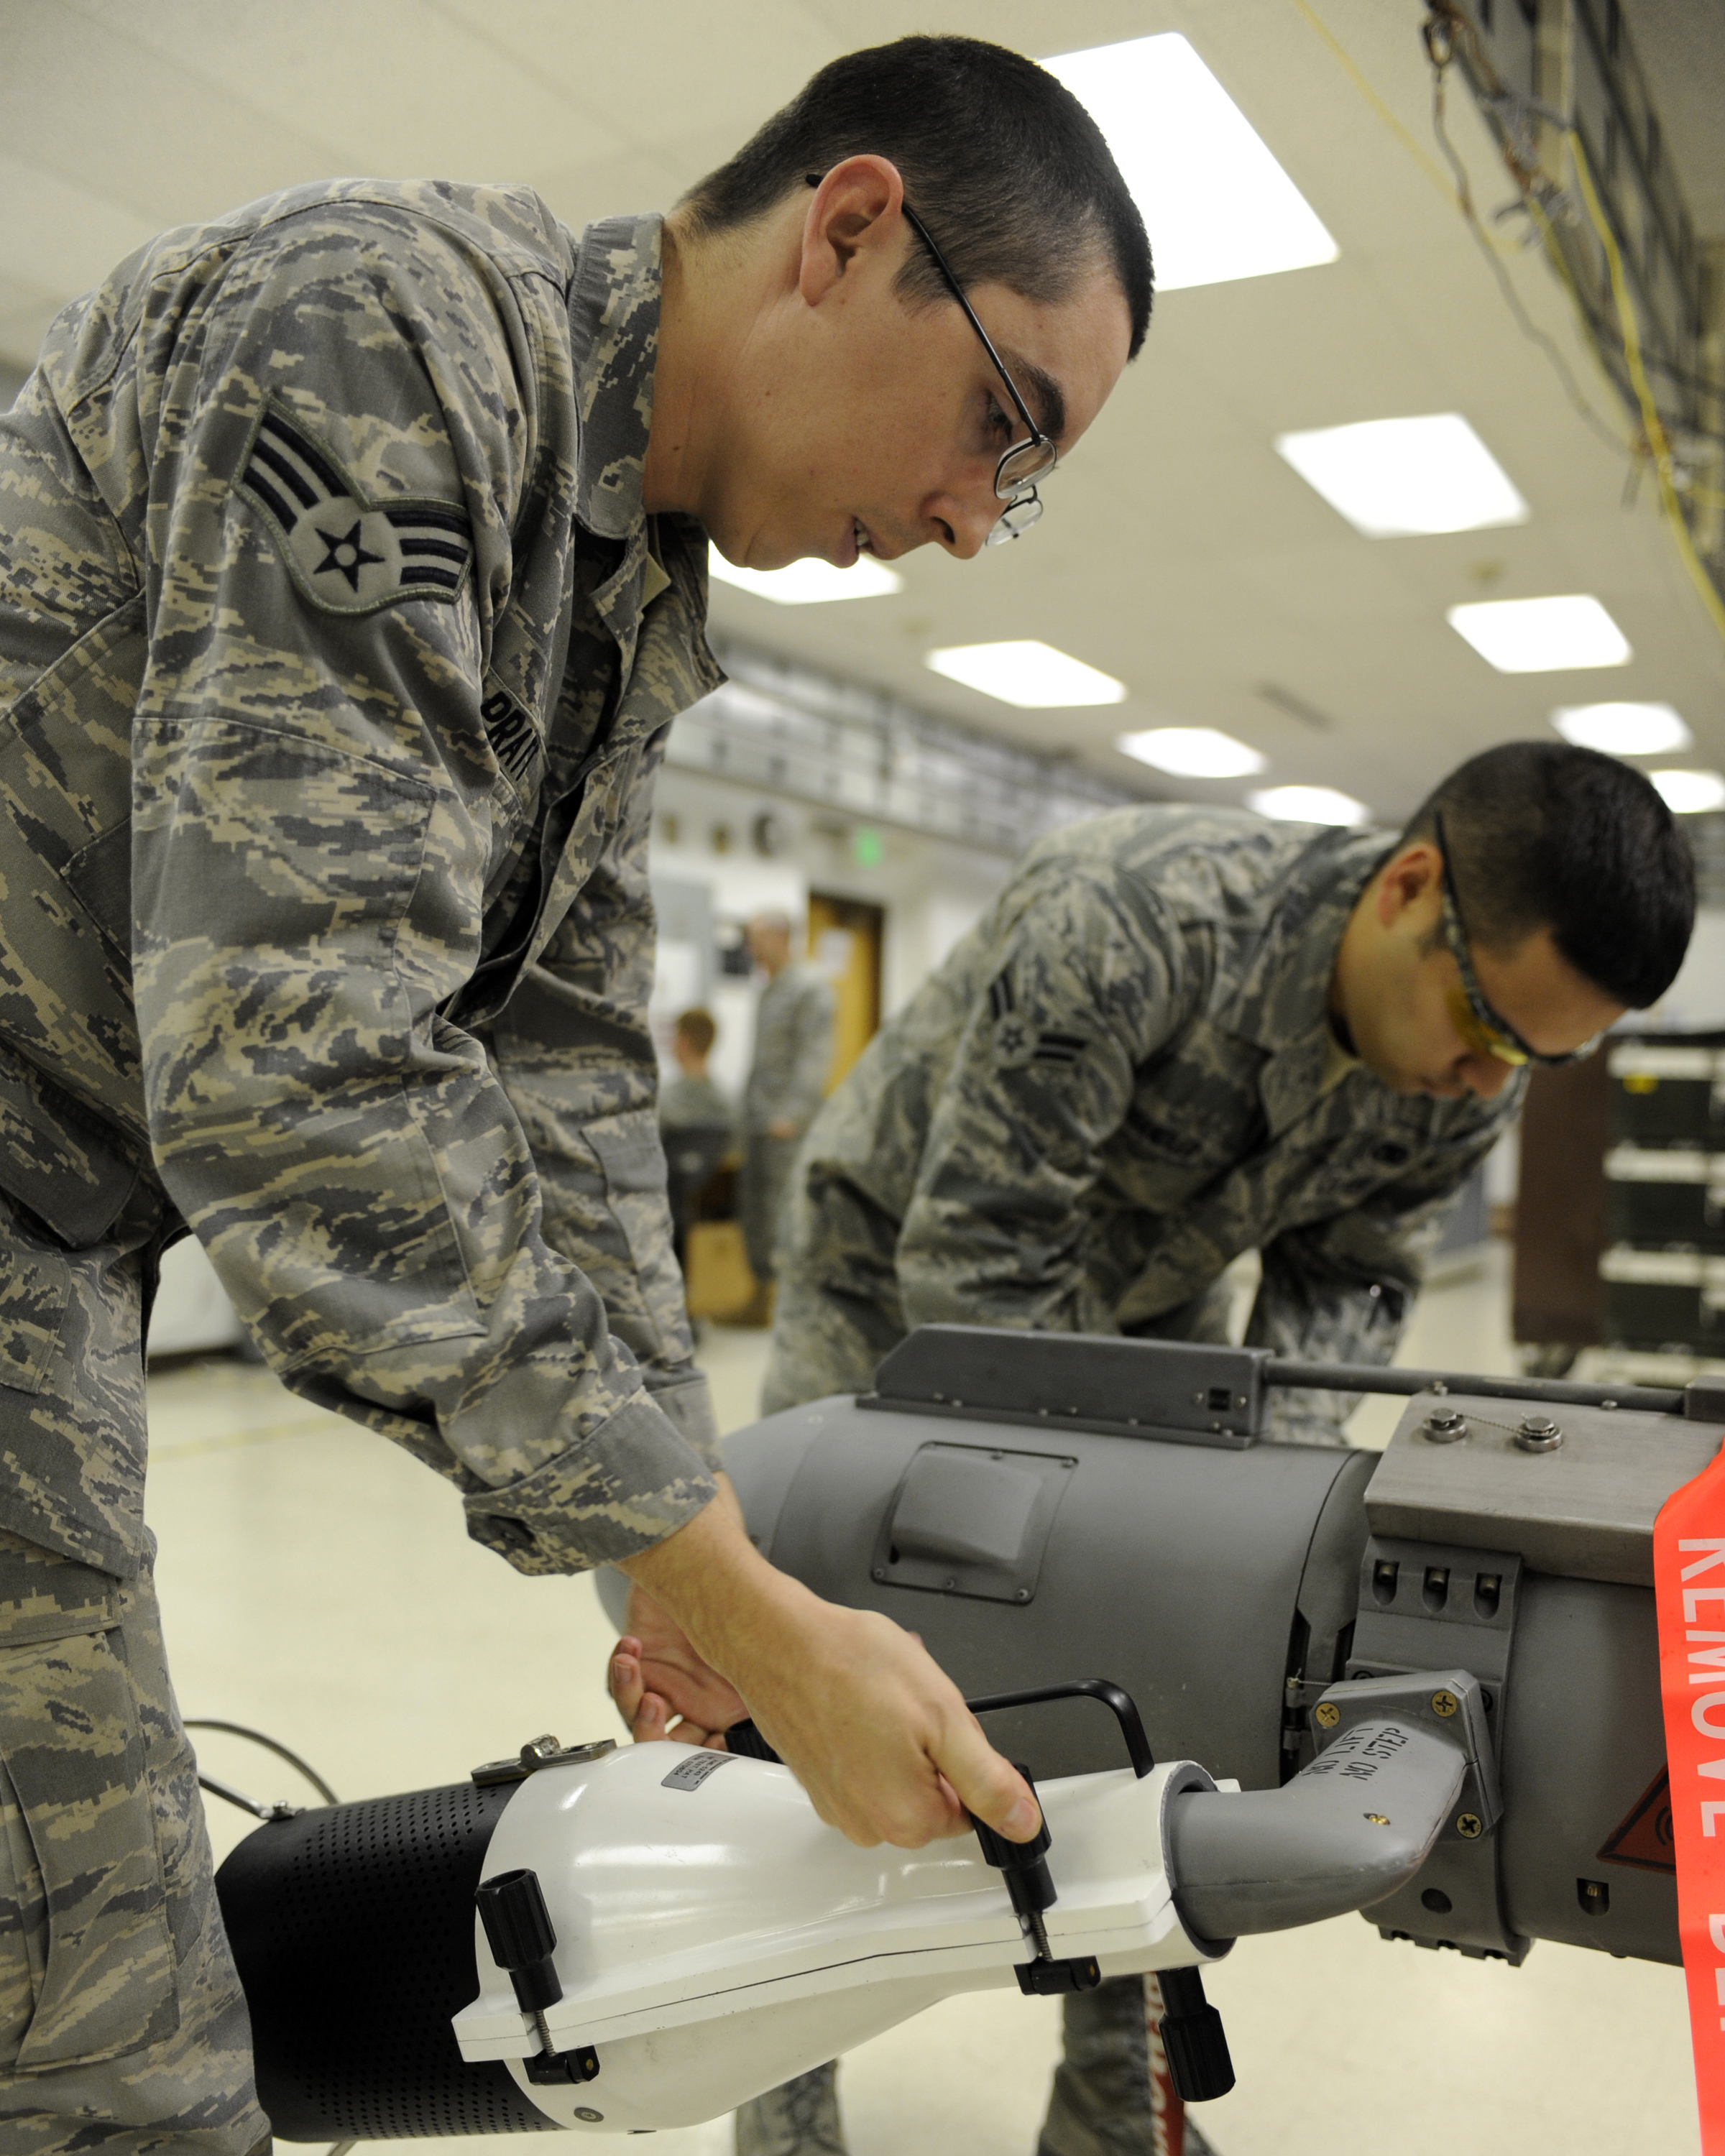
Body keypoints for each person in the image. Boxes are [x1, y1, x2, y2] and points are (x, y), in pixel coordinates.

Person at [0, 32, 1150, 2152]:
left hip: (53, 1224)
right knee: (113, 2056)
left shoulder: (616, 586)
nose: (970, 520)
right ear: (847, 229)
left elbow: (569, 1086)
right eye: (1002, 420)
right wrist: (736, 1603)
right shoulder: (392, 336)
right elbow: (298, 1066)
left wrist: (678, 1569)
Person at [742, 740, 1694, 2156]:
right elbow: (980, 1273)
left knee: (1147, 1703)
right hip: (896, 1292)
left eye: (1530, 1062)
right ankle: (782, 2103)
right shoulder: (1127, 919)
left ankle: (1116, 2112)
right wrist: (1089, 1545)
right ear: (1409, 888)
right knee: (803, 1698)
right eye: (1484, 1027)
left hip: (1150, 1317)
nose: (1477, 1086)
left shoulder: (1468, 1073)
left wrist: (1247, 1556)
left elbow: (1347, 1283)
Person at [735, 913, 837, 1322]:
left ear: (781, 938)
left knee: (784, 1210)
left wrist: (793, 1114)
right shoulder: (769, 990)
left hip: (786, 1125)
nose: (751, 949)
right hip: (758, 1118)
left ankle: (786, 1303)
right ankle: (761, 1294)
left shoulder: (810, 989)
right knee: (755, 1210)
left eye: (756, 939)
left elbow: (815, 1057)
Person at [660, 1007, 737, 1266]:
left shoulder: (664, 1103)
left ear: (682, 1041)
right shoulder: (729, 1106)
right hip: (712, 1217)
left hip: (667, 1215)